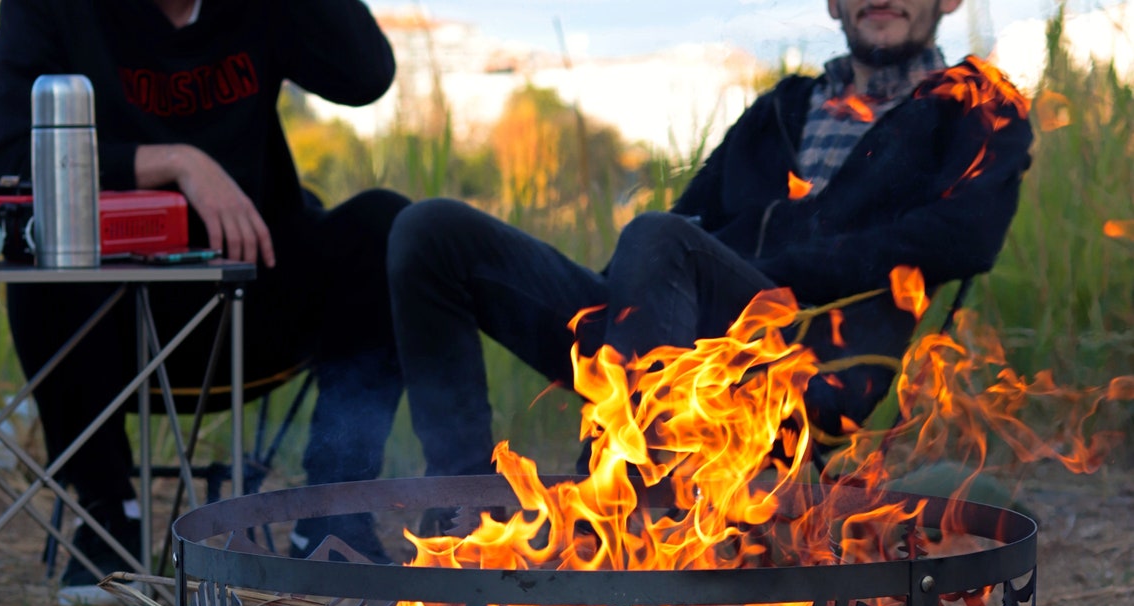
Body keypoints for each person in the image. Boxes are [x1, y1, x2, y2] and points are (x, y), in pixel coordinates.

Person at [386, 0, 1033, 494]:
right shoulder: (782, 108)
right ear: (833, 4)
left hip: (801, 364)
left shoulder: (973, 105)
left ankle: (623, 500)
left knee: (660, 238)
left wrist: (767, 273)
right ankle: (459, 502)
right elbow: (686, 218)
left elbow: (965, 236)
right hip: (668, 337)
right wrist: (607, 312)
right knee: (432, 230)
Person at [0, 0, 408, 599]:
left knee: (388, 226)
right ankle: (108, 518)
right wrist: (176, 163)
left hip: (257, 294)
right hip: (108, 327)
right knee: (45, 251)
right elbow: (7, 153)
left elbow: (367, 76)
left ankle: (332, 514)